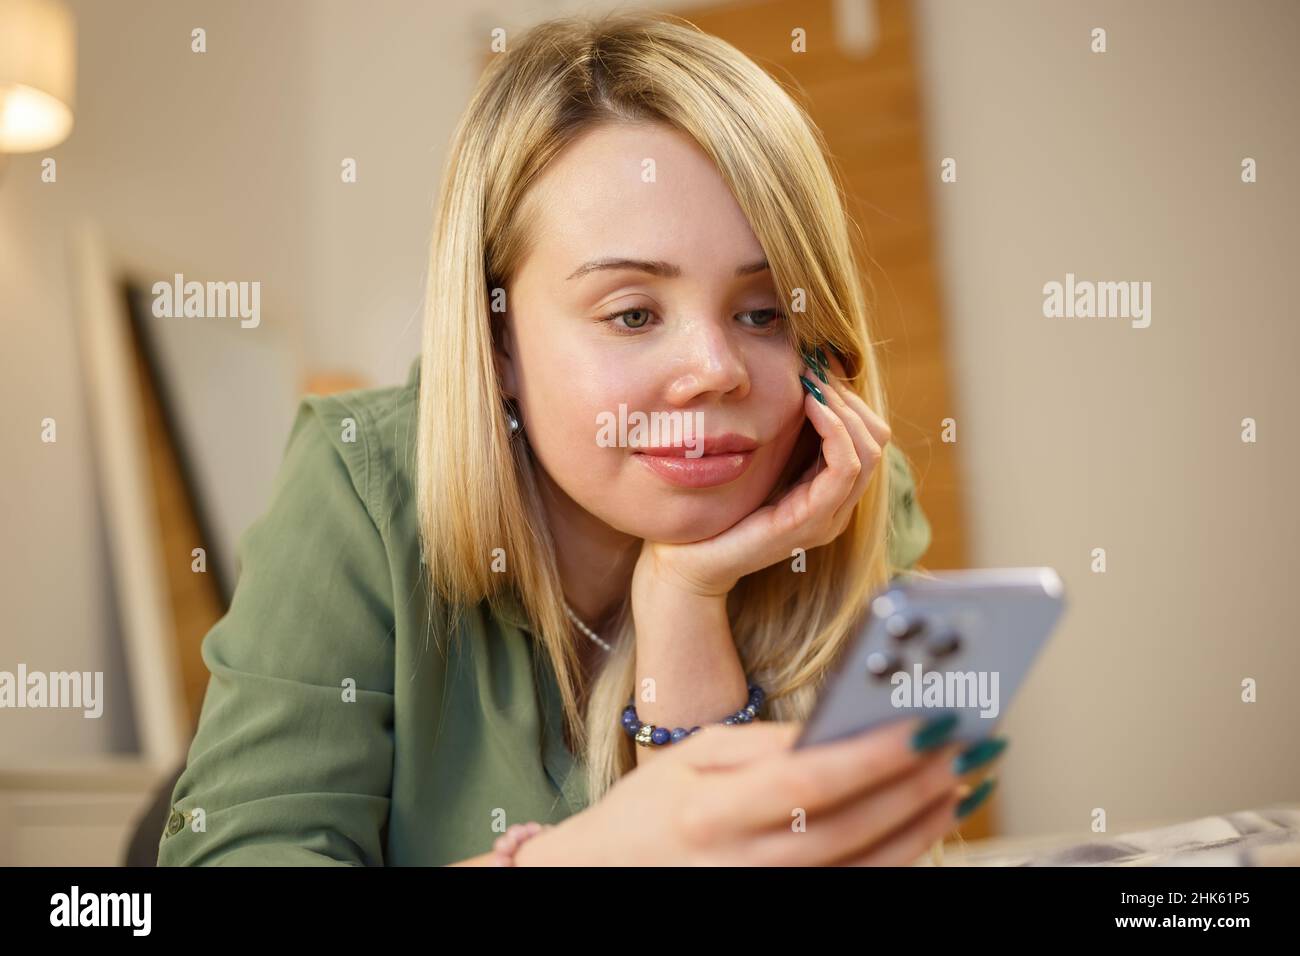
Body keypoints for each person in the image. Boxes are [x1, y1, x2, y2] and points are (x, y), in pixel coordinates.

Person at [157, 11, 1002, 867]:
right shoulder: (363, 486)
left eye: (765, 313)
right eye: (633, 313)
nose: (716, 369)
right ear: (497, 342)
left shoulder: (847, 493)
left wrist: (684, 597)